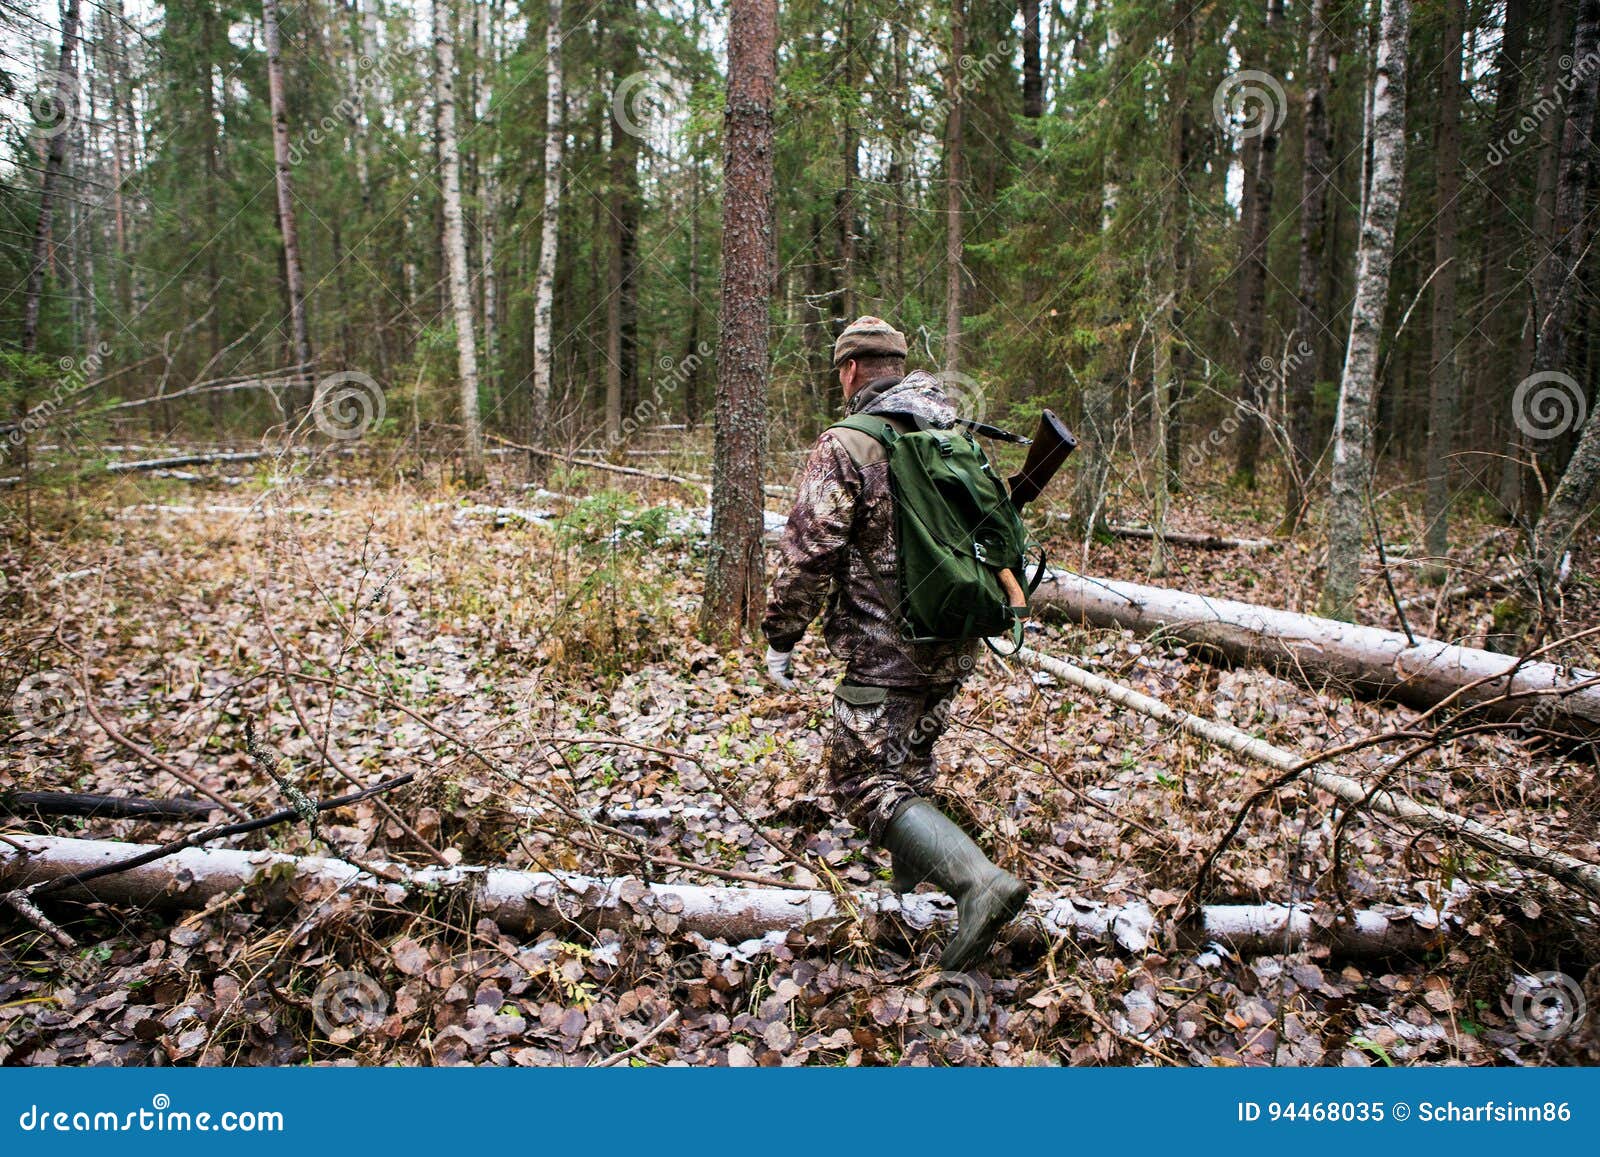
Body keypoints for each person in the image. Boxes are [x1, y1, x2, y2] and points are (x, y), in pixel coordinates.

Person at [761, 315, 1029, 972]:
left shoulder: (846, 444)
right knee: (908, 773)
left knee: (861, 781)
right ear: (899, 366)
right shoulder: (952, 432)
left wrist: (781, 638)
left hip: (886, 649)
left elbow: (806, 554)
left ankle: (978, 883)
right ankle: (909, 911)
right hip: (956, 639)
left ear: (850, 371)